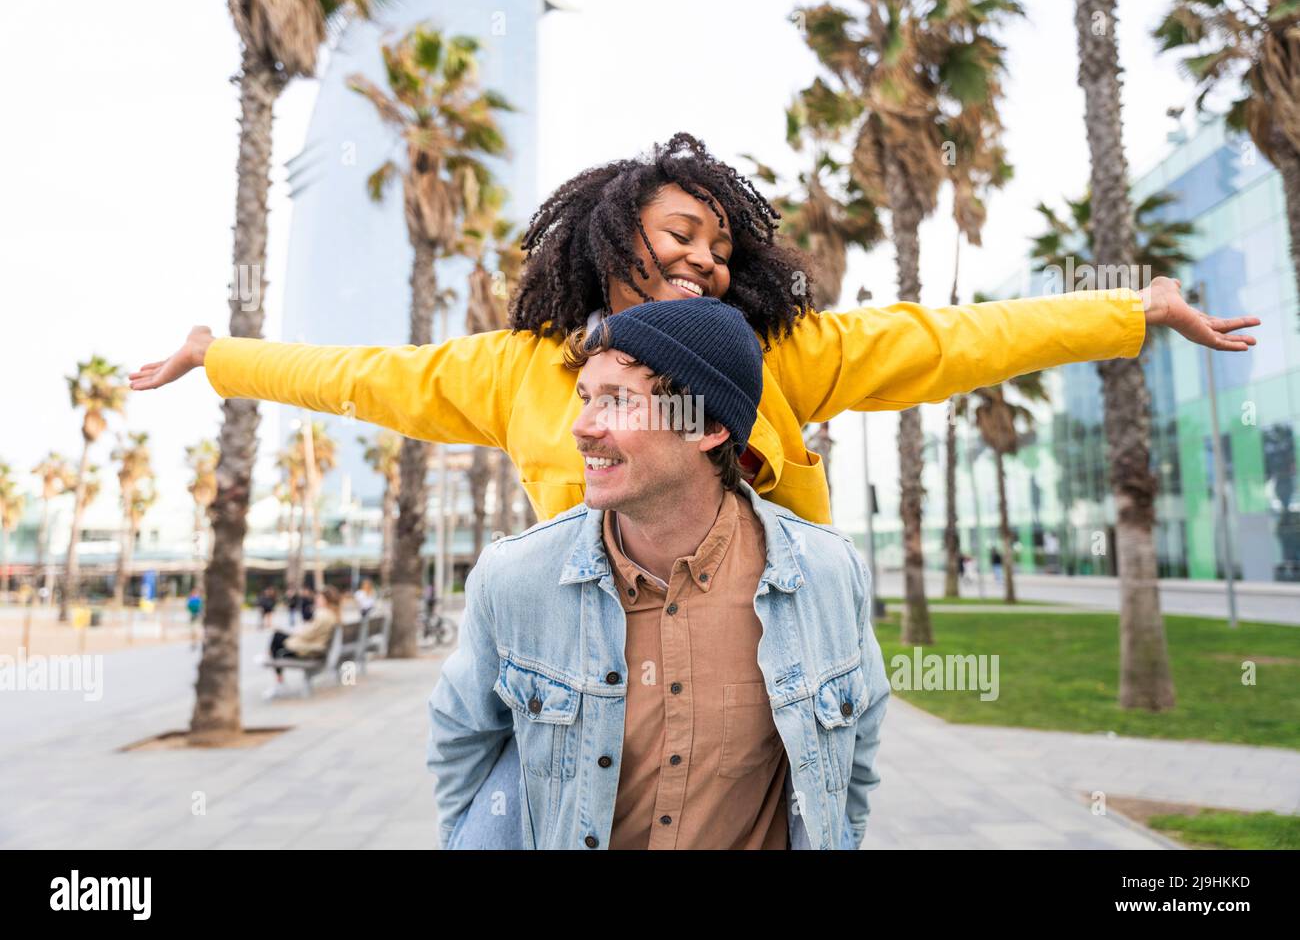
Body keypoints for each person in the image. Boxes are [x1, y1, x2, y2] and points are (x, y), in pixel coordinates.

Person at [126, 133, 1260, 527]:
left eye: (720, 245)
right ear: (613, 236)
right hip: (597, 698)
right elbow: (364, 377)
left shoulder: (784, 356)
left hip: (766, 691)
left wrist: (1136, 308)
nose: (703, 257)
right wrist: (215, 353)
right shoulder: (517, 371)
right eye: (679, 232)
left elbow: (953, 338)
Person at [427, 298, 890, 850]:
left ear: (710, 425)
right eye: (585, 399)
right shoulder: (515, 579)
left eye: (617, 402)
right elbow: (462, 739)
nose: (581, 428)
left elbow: (855, 753)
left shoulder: (828, 576)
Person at [263, 585, 342, 700]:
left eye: (319, 598)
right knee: (278, 639)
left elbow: (308, 634)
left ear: (326, 600)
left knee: (277, 640)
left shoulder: (324, 615)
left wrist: (295, 632)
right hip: (317, 648)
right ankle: (270, 659)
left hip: (311, 651)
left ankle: (278, 678)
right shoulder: (332, 614)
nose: (316, 600)